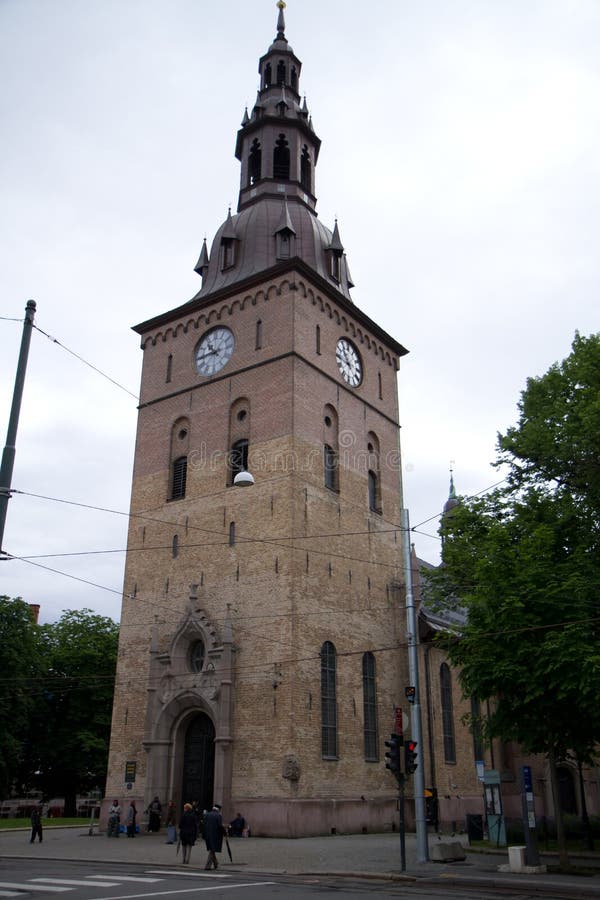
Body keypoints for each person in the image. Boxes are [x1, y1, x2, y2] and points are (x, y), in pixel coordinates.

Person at [203, 803, 225, 870]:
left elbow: (204, 825)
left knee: (212, 849)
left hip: (207, 835)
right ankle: (207, 866)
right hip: (215, 835)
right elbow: (220, 826)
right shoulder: (218, 816)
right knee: (212, 850)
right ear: (219, 809)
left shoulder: (207, 815)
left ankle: (216, 864)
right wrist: (225, 832)